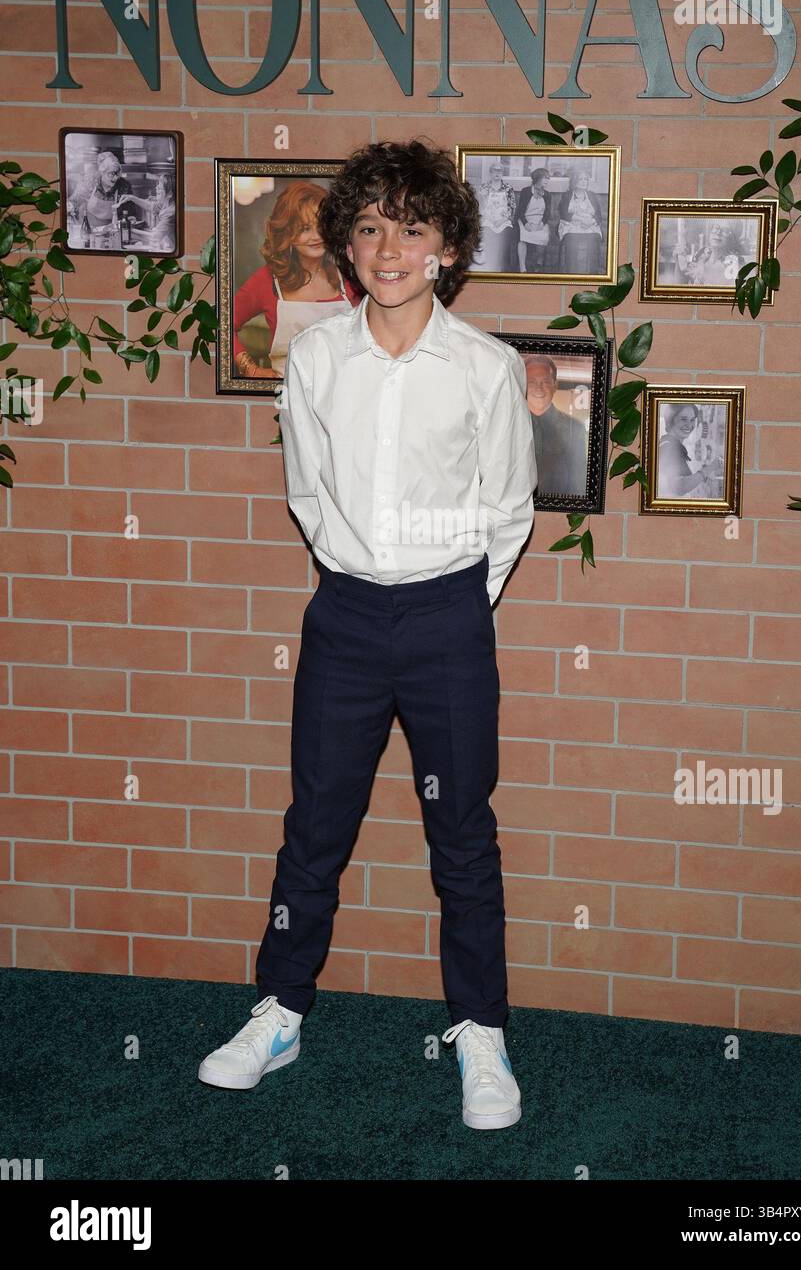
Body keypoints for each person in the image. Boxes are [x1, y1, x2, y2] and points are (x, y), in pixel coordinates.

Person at [198, 138, 538, 1131]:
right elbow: (307, 489)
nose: (390, 247)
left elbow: (506, 510)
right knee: (315, 824)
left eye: (413, 227)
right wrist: (357, 576)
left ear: (444, 247)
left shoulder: (485, 367)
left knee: (462, 838)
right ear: (348, 244)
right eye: (372, 226)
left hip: (446, 619)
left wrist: (453, 608)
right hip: (343, 615)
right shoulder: (313, 357)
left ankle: (480, 1035)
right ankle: (280, 1010)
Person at [232, 180, 361, 380]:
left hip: (344, 393)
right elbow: (221, 324)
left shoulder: (349, 277)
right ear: (287, 233)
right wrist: (251, 369)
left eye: (321, 226)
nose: (316, 236)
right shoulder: (266, 281)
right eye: (304, 228)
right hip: (287, 397)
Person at [525, 355, 588, 495]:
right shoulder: (508, 426)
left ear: (555, 385)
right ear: (522, 386)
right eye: (532, 382)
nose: (539, 388)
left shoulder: (575, 429)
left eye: (545, 382)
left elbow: (579, 484)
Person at [67, 150, 134, 251]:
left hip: (113, 236)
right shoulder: (90, 182)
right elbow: (72, 203)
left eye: (117, 174)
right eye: (111, 174)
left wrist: (130, 218)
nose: (115, 178)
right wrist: (69, 213)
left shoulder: (124, 185)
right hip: (89, 235)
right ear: (102, 172)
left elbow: (130, 211)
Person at [657, 403, 720, 498]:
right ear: (671, 420)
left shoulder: (671, 444)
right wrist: (710, 468)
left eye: (692, 420)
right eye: (683, 419)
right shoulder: (669, 447)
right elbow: (680, 487)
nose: (689, 425)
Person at [556, 168, 606, 276]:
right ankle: (571, 273)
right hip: (572, 225)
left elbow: (598, 215)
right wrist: (580, 219)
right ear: (574, 181)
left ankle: (593, 273)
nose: (584, 182)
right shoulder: (567, 195)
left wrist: (591, 221)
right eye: (581, 179)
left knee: (594, 238)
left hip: (589, 225)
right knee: (571, 239)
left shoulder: (591, 195)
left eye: (586, 179)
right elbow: (563, 213)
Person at [672, 219, 744, 288]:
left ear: (733, 238)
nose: (718, 232)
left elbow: (730, 293)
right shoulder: (701, 253)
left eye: (725, 230)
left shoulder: (735, 262)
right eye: (716, 227)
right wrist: (678, 262)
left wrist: (705, 276)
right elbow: (681, 285)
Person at [474, 159, 516, 271]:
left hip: (503, 221)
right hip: (488, 220)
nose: (497, 173)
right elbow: (480, 209)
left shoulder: (508, 188)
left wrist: (501, 221)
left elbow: (512, 208)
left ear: (502, 173)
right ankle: (489, 268)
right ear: (490, 173)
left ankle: (503, 269)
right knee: (488, 239)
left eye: (500, 171)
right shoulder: (484, 188)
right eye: (494, 171)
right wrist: (482, 198)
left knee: (505, 239)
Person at [515, 166, 553, 273]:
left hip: (540, 220)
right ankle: (523, 267)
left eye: (548, 178)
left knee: (543, 237)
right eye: (545, 178)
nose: (547, 180)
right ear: (537, 179)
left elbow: (547, 213)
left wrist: (541, 224)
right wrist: (526, 224)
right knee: (522, 238)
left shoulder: (547, 194)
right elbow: (520, 211)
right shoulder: (526, 191)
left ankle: (539, 263)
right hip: (526, 219)